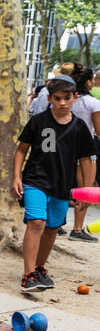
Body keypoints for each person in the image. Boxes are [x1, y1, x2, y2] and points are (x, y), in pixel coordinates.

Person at [14, 76, 96, 292]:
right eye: (57, 98)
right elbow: (22, 149)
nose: (62, 103)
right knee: (37, 223)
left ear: (75, 98)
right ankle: (28, 275)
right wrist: (16, 177)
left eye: (66, 98)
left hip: (62, 185)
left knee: (51, 228)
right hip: (35, 180)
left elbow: (86, 160)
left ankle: (40, 268)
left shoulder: (79, 127)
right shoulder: (38, 121)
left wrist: (85, 192)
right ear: (49, 98)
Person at [64, 66, 99, 241]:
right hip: (87, 149)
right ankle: (77, 229)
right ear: (87, 82)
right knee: (85, 188)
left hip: (66, 147)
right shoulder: (92, 103)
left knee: (65, 186)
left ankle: (57, 225)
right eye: (92, 80)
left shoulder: (71, 101)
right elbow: (98, 130)